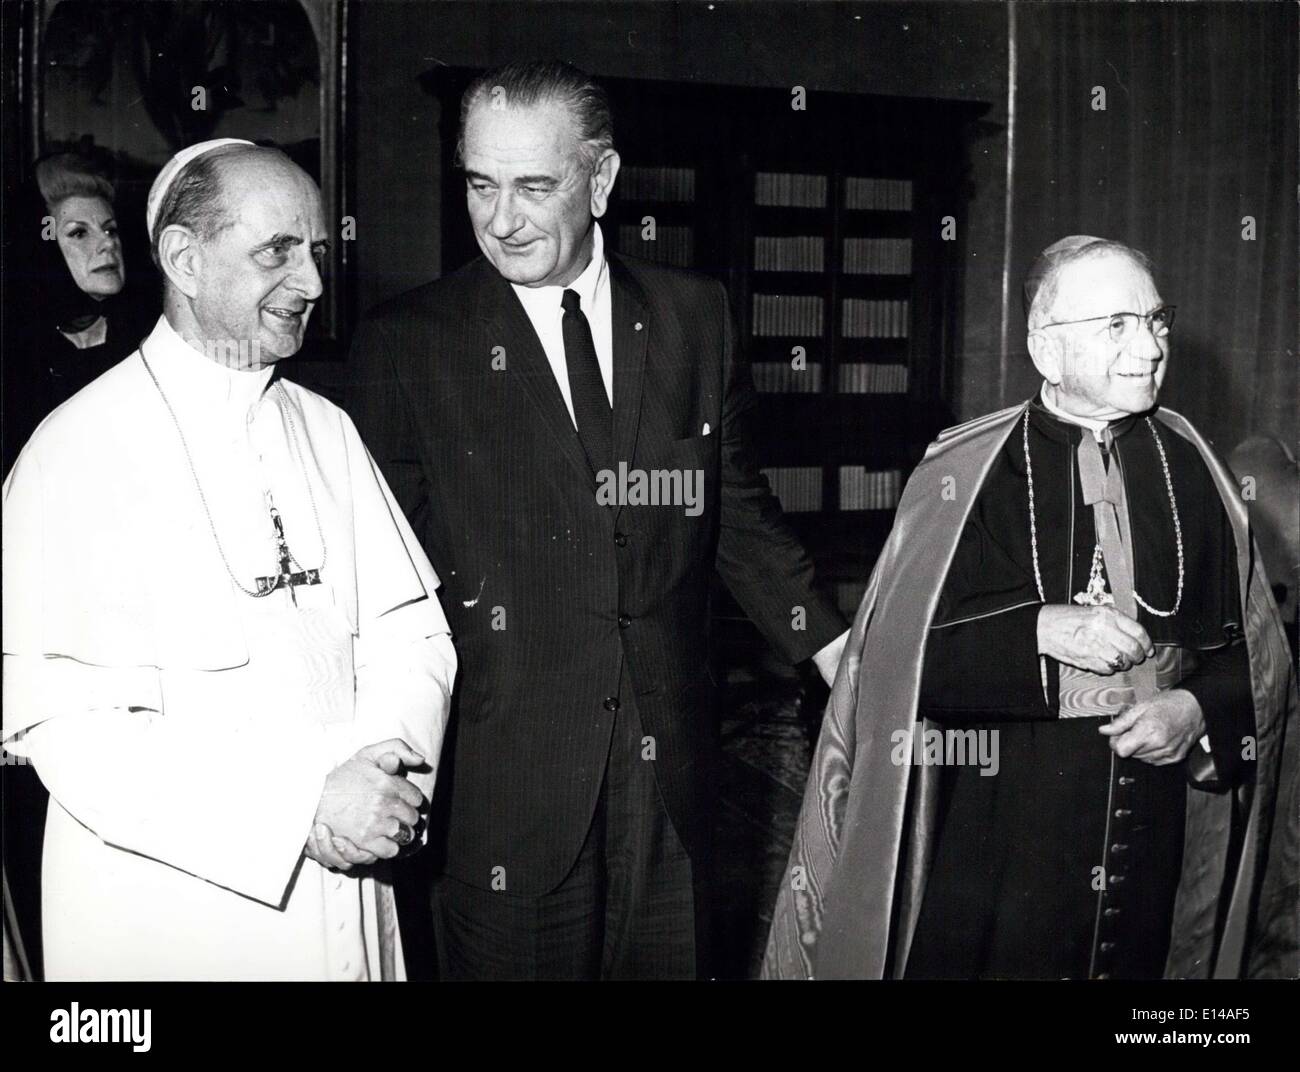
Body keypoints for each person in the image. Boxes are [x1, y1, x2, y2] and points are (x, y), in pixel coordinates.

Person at [346, 60, 848, 980]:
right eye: (480, 185)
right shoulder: (405, 344)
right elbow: (380, 582)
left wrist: (838, 655)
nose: (502, 220)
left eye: (535, 187)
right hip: (506, 785)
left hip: (673, 774)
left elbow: (732, 509)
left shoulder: (698, 315)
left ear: (604, 180)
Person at [765, 235, 1298, 980]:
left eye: (1156, 320)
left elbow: (1258, 658)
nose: (1150, 346)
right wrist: (1037, 631)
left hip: (1153, 832)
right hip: (1000, 829)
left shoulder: (1193, 465)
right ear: (1046, 349)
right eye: (1117, 325)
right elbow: (893, 661)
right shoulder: (965, 468)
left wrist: (1198, 710)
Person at [1, 138, 457, 981]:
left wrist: (376, 780)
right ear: (184, 257)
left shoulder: (329, 429)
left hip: (351, 887)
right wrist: (300, 808)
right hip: (177, 913)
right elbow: (70, 728)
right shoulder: (74, 452)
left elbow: (414, 635)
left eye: (315, 252)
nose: (314, 284)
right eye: (275, 252)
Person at [2, 152, 153, 475]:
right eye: (79, 233)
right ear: (42, 250)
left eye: (110, 230)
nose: (107, 245)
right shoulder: (17, 357)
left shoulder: (149, 339)